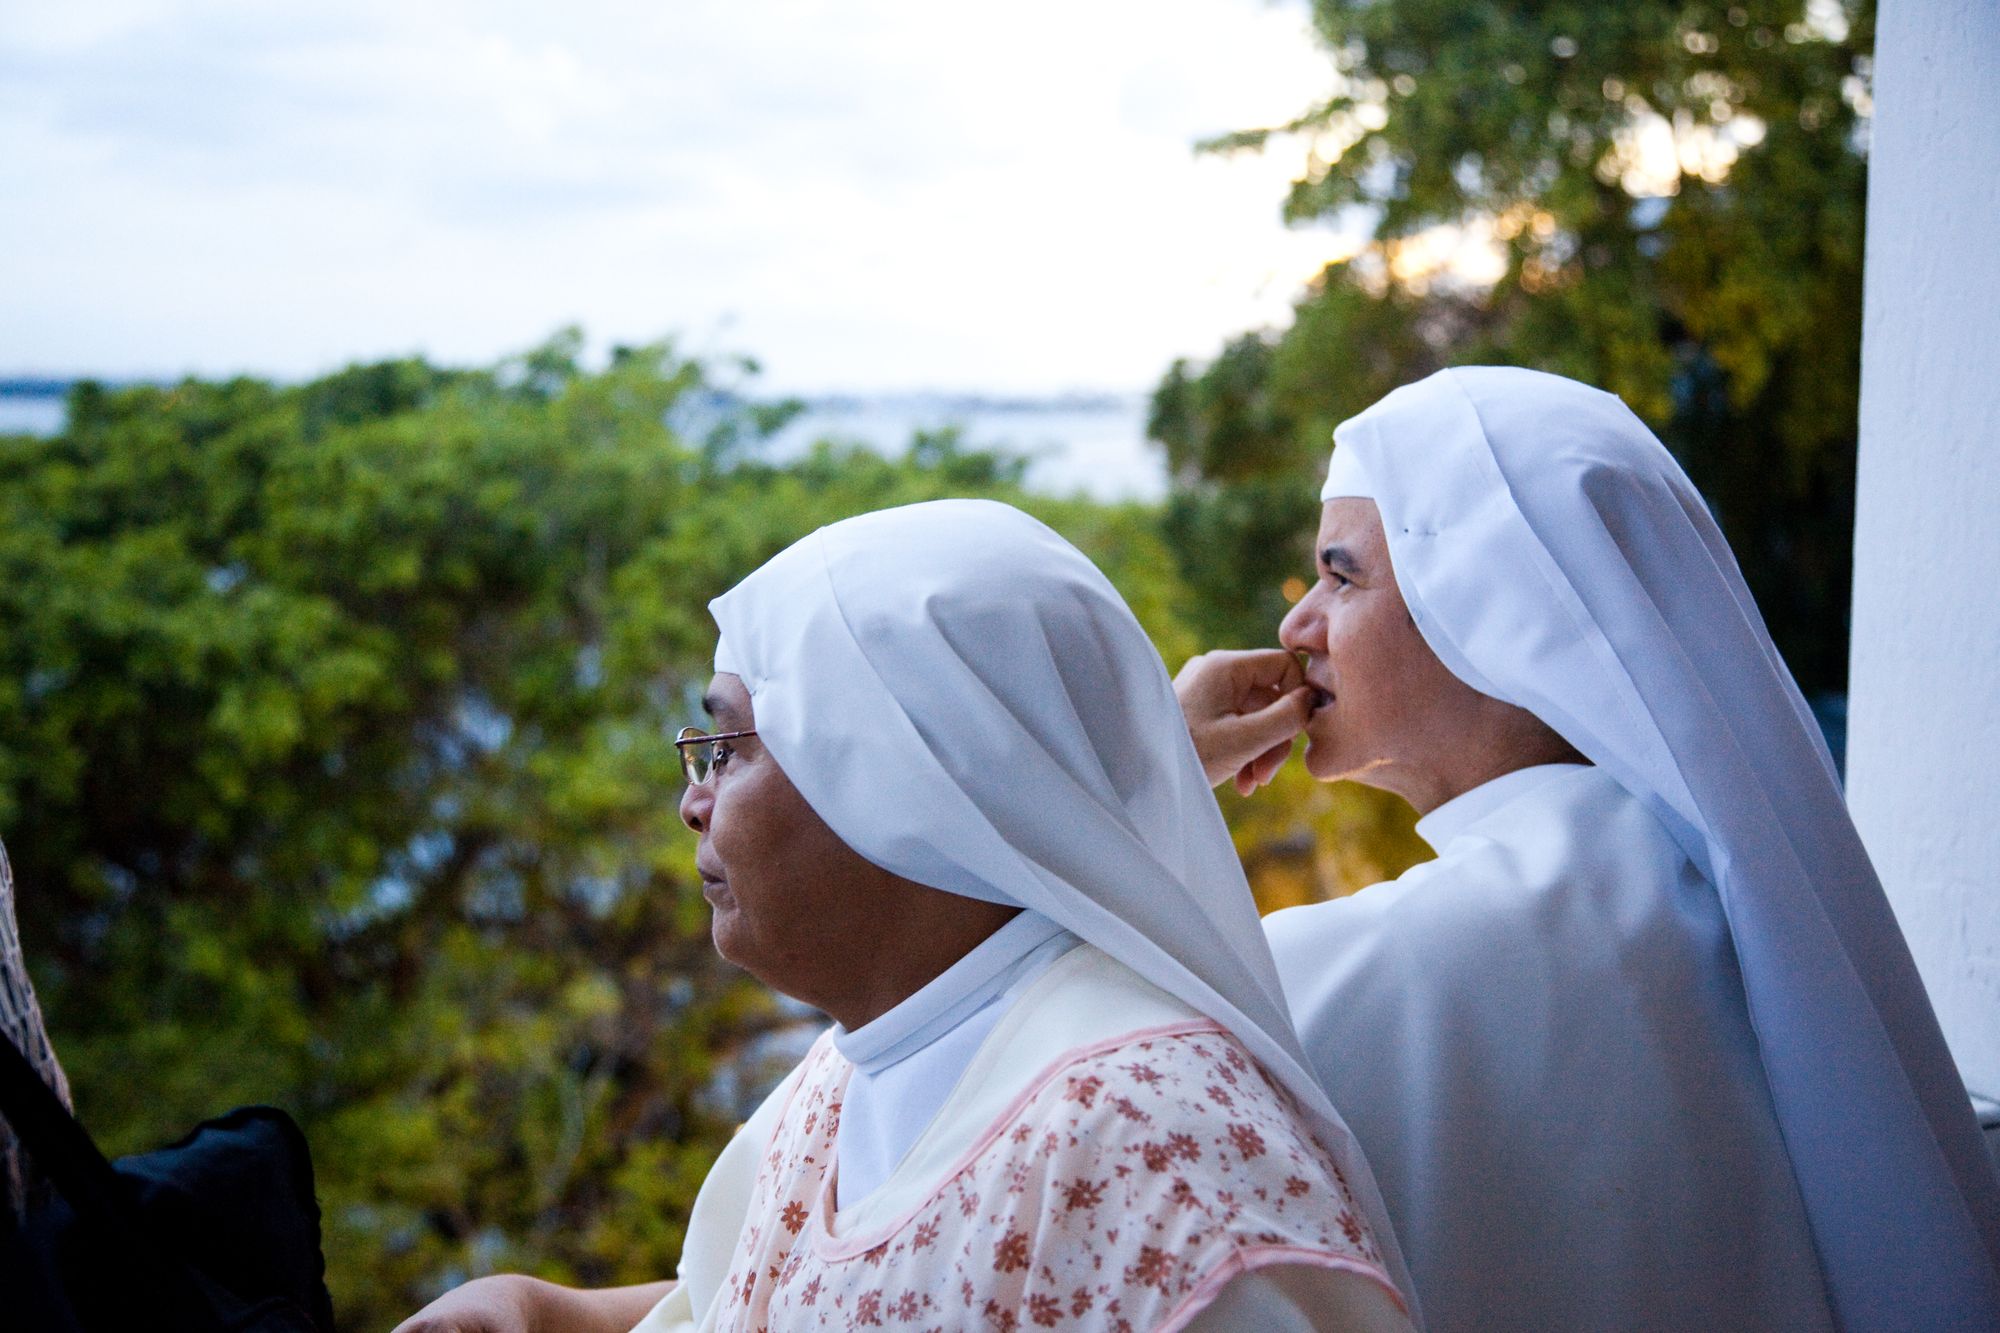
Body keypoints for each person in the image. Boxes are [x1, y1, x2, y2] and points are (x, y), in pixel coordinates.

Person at [398, 499, 1418, 1332]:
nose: (693, 798)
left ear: (902, 782)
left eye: (732, 746)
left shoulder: (1148, 1154)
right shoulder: (859, 1072)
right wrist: (536, 1310)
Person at [1176, 366, 2000, 1332]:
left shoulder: (1369, 966)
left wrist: (1150, 775)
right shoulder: (1738, 902)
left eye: (1341, 574)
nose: (1296, 625)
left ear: (1494, 609)